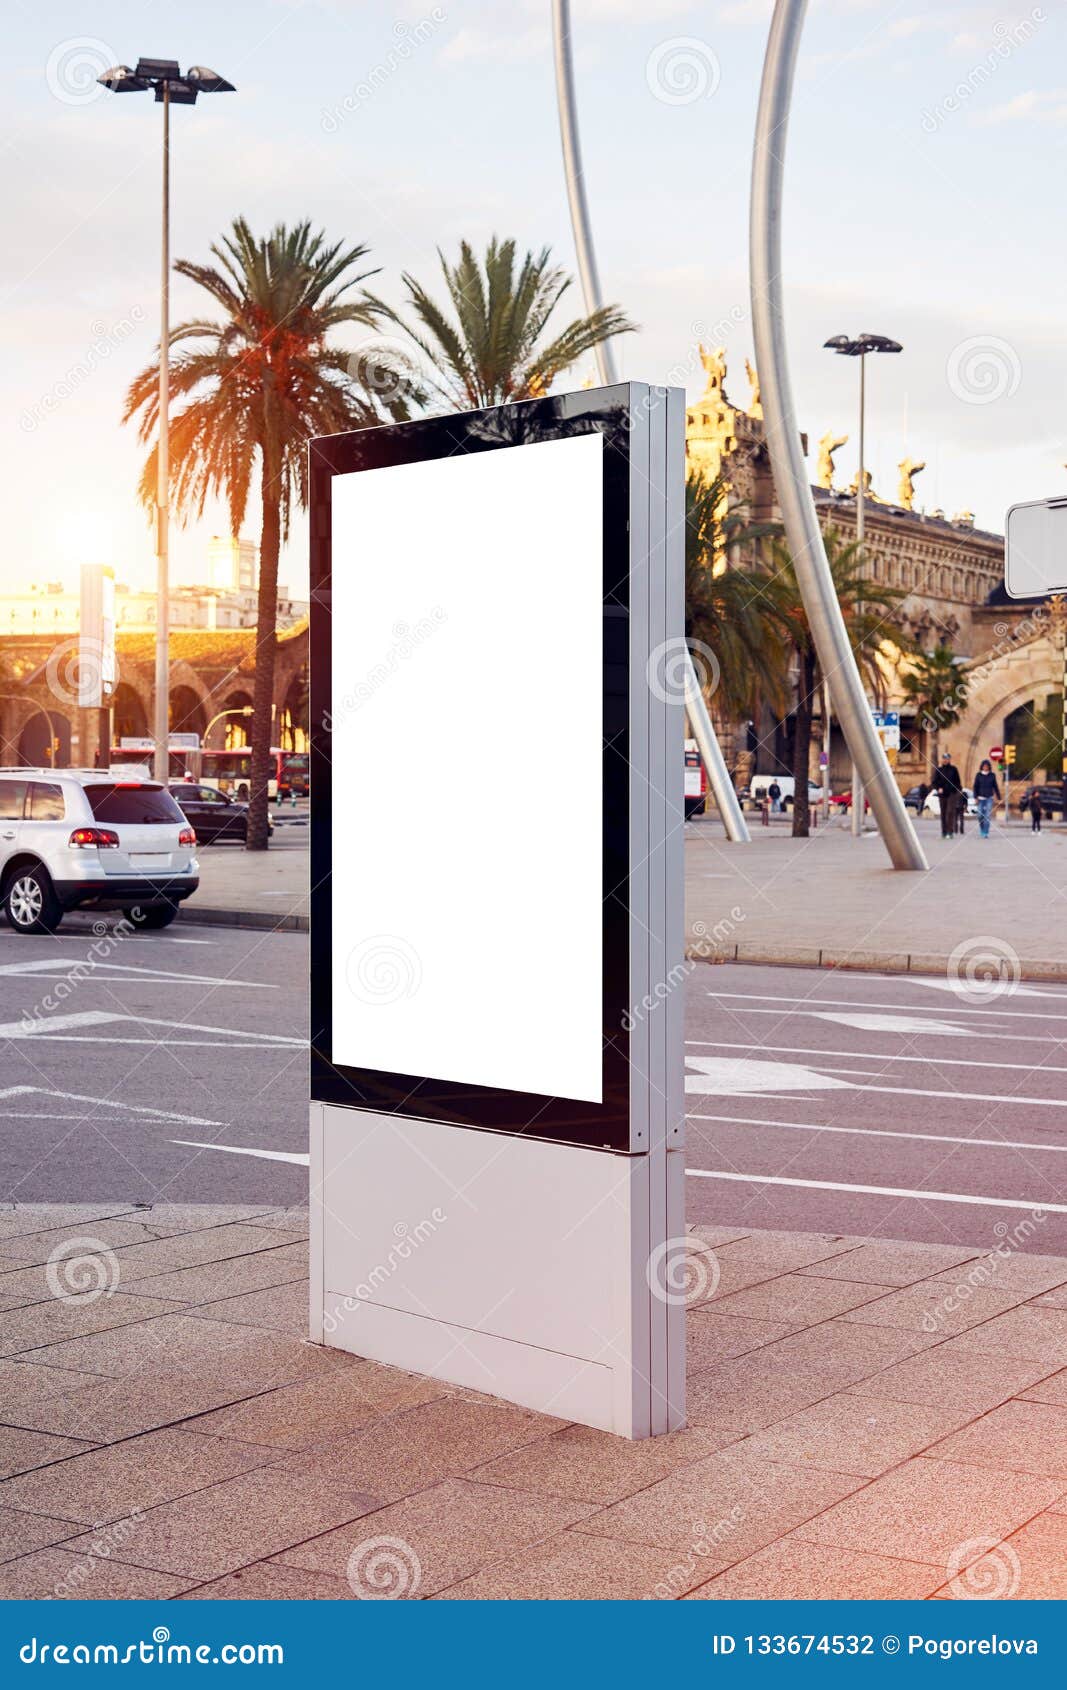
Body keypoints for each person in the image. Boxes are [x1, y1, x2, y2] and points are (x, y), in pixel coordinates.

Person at [930, 751, 964, 839]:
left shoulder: (954, 769)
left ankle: (950, 831)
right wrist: (938, 788)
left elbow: (958, 781)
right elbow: (934, 782)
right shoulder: (939, 770)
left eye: (947, 759)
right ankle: (944, 832)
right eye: (944, 759)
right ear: (942, 760)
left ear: (949, 760)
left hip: (952, 794)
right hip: (942, 794)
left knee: (950, 812)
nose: (945, 760)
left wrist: (958, 790)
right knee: (943, 813)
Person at [973, 758, 1000, 839]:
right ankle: (982, 828)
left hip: (989, 798)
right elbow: (975, 786)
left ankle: (985, 832)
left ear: (989, 767)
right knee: (980, 815)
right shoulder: (978, 775)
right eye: (984, 766)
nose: (985, 767)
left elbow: (995, 786)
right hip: (980, 798)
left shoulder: (992, 775)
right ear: (982, 767)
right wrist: (975, 797)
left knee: (987, 816)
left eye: (987, 766)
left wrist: (998, 797)